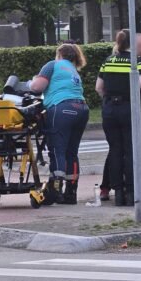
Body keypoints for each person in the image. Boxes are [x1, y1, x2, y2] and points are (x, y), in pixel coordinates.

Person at [95, 29, 141, 206]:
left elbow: (98, 87)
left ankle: (117, 191)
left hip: (110, 110)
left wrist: (109, 100)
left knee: (115, 150)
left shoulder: (108, 60)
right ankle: (131, 191)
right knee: (131, 150)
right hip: (130, 108)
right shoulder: (136, 61)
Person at [28, 43, 89, 205]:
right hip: (81, 109)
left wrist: (31, 82)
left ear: (59, 54)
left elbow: (37, 87)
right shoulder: (73, 70)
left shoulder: (52, 65)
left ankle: (54, 192)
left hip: (62, 109)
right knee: (72, 153)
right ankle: (71, 193)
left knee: (57, 151)